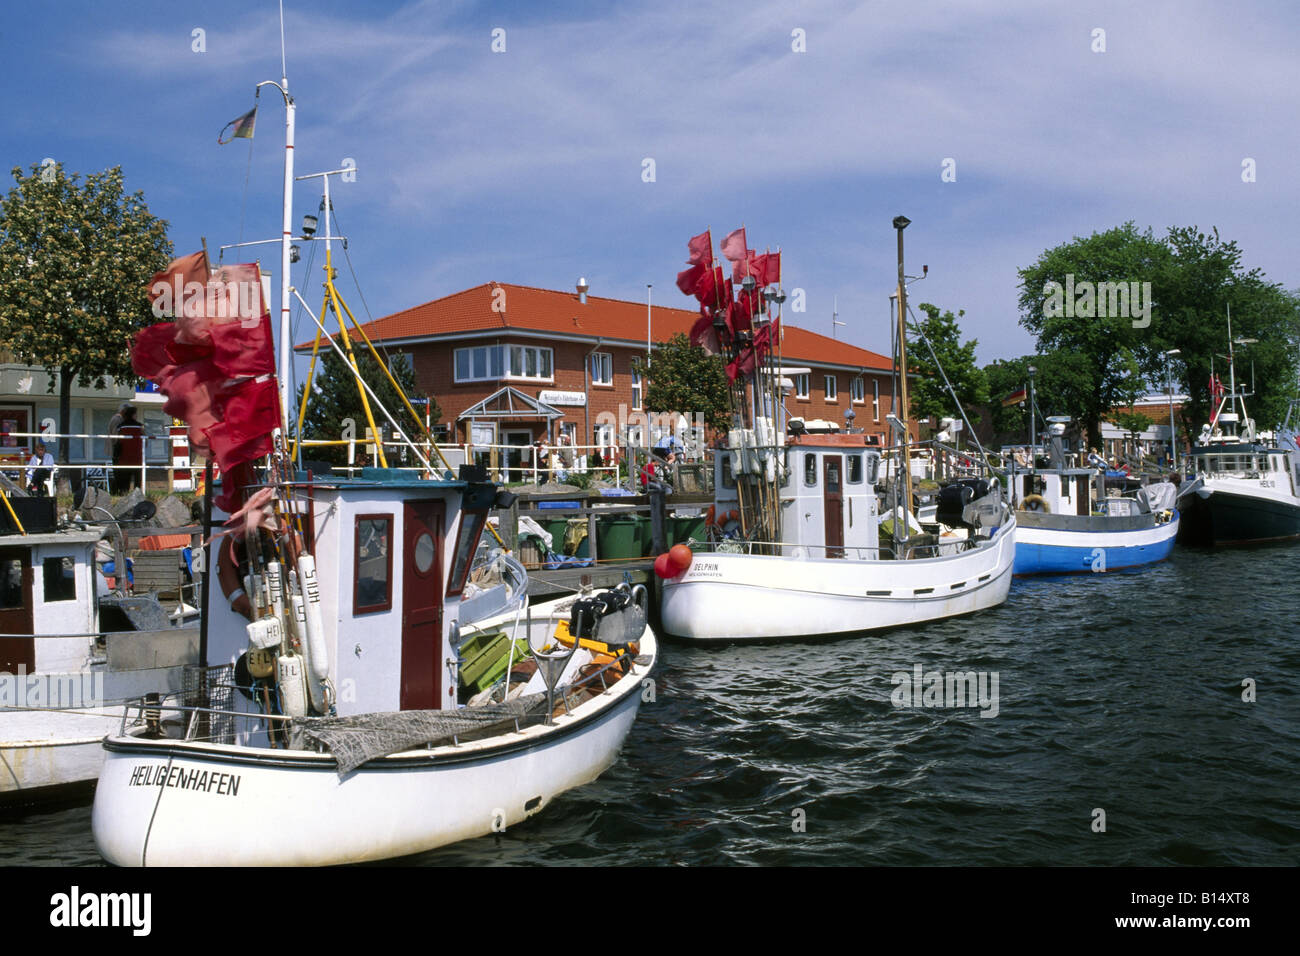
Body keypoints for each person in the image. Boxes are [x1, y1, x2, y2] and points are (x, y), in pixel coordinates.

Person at [112, 405, 144, 494]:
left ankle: (124, 493)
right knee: (137, 478)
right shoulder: (140, 426)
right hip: (137, 457)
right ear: (133, 415)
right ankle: (137, 494)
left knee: (124, 478)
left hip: (124, 457)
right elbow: (145, 441)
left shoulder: (120, 426)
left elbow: (116, 440)